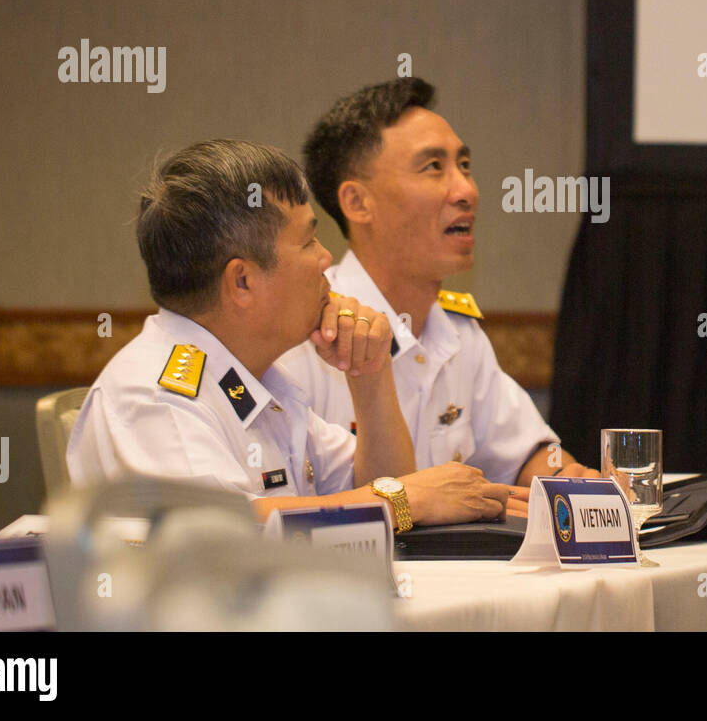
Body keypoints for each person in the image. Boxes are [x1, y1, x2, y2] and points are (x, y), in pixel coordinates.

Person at [67, 138, 514, 527]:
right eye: (307, 243)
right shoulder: (157, 396)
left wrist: (370, 374)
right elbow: (219, 535)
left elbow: (376, 486)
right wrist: (405, 499)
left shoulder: (259, 382)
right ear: (242, 281)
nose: (325, 259)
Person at [300, 79, 598, 486]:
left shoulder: (458, 332)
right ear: (357, 202)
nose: (467, 191)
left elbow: (526, 453)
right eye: (433, 167)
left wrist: (579, 484)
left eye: (465, 166)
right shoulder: (307, 332)